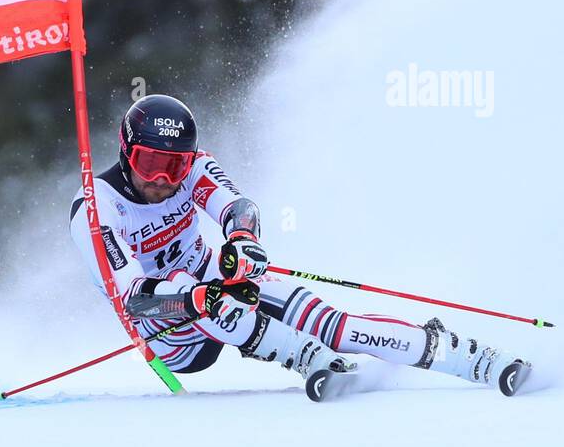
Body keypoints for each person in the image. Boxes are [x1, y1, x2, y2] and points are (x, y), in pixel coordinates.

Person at [69, 94, 530, 399]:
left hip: (212, 285)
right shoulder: (97, 209)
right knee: (193, 288)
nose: (164, 180)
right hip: (171, 332)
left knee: (329, 322)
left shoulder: (193, 170)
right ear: (126, 152)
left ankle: (459, 354)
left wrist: (243, 242)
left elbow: (238, 206)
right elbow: (133, 296)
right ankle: (304, 356)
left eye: (175, 164)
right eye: (150, 163)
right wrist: (195, 296)